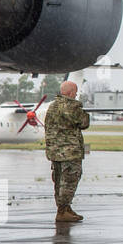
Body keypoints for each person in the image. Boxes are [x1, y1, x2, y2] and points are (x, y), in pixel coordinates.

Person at [44, 80, 90, 223]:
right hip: (70, 151)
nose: (76, 95)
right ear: (70, 93)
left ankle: (65, 208)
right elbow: (84, 123)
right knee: (69, 180)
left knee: (58, 181)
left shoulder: (52, 106)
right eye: (75, 92)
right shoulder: (72, 106)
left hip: (54, 151)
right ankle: (63, 211)